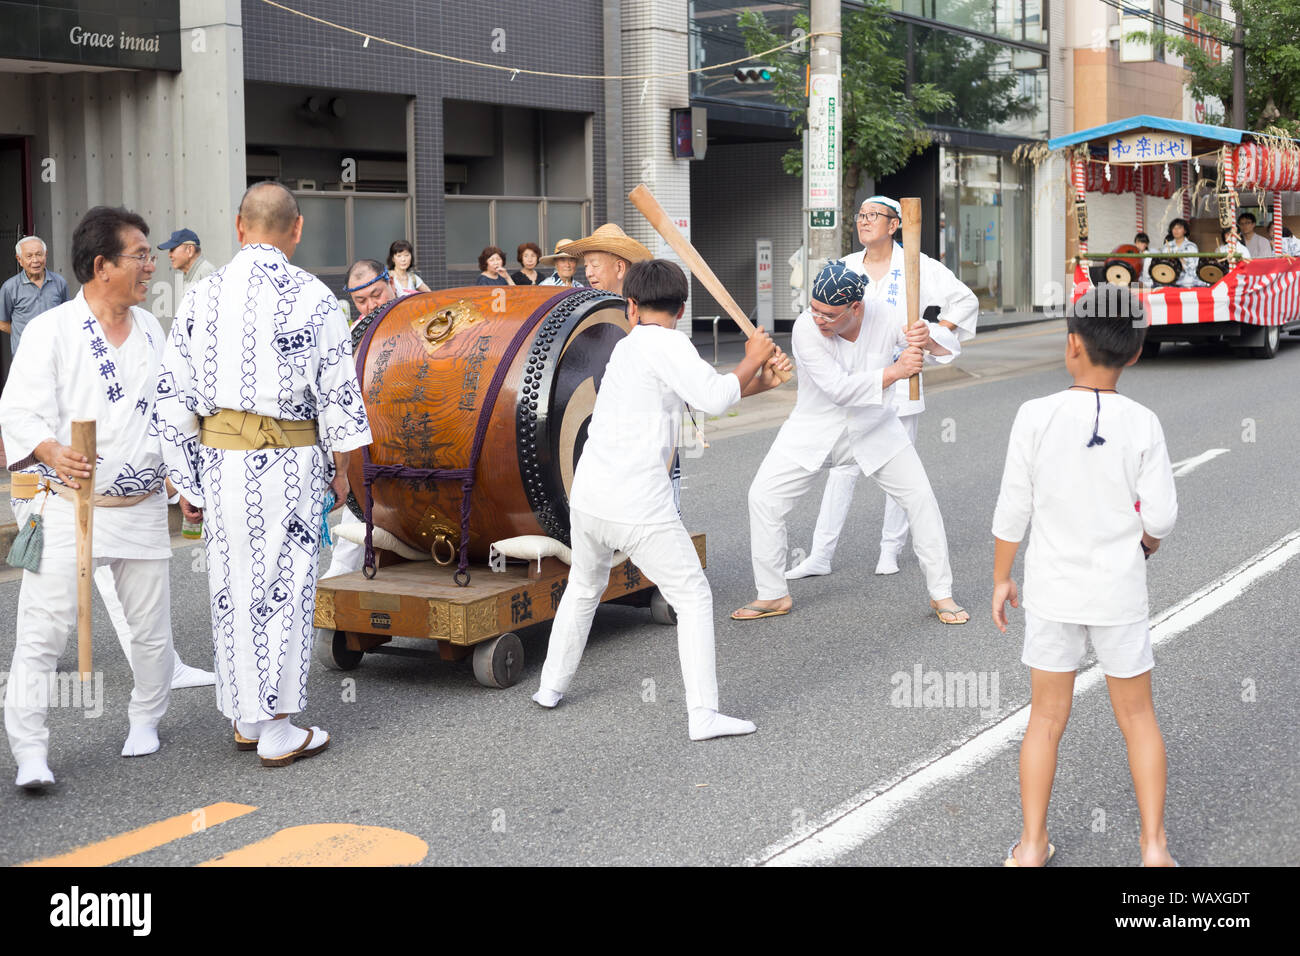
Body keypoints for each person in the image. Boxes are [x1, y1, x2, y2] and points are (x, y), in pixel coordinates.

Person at [154, 182, 373, 768]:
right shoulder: (316, 298)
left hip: (222, 464)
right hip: (290, 463)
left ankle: (247, 716)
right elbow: (339, 397)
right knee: (285, 588)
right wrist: (343, 474)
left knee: (233, 588)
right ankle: (276, 728)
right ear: (296, 230)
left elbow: (173, 398)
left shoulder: (202, 297)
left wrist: (184, 482)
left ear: (238, 225)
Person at [532, 259, 790, 740]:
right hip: (637, 505)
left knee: (584, 589)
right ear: (683, 307)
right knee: (694, 597)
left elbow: (703, 394)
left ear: (630, 306)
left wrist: (761, 383)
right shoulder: (670, 344)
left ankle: (550, 687)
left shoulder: (630, 348)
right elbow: (713, 397)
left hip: (588, 499)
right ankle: (703, 715)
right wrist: (753, 354)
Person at [992, 286, 1178, 867]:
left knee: (1045, 719)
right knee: (1138, 717)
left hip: (1052, 590)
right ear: (1136, 353)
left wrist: (1002, 578)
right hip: (1119, 591)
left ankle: (1030, 847)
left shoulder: (1034, 415)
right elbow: (1164, 514)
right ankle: (1152, 850)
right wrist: (1143, 543)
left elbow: (1012, 507)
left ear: (1071, 344)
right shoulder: (1143, 422)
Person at [1, 207, 175, 789]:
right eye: (141, 255)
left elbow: (172, 411)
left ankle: (146, 716)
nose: (151, 266)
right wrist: (51, 450)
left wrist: (182, 475)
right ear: (102, 266)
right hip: (69, 503)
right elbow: (17, 410)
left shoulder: (152, 329)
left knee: (151, 628)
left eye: (150, 255)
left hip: (142, 504)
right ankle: (29, 751)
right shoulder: (51, 330)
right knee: (42, 631)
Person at [733, 260, 969, 625]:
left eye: (829, 315)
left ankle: (943, 595)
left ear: (855, 307)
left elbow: (947, 350)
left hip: (875, 428)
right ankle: (772, 594)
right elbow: (840, 390)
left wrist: (928, 338)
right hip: (814, 428)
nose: (819, 320)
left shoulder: (888, 315)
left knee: (920, 499)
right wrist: (896, 371)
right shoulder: (805, 328)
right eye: (815, 310)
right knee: (763, 498)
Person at [785, 196, 977, 581]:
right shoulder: (845, 267)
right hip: (855, 381)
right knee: (842, 470)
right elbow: (821, 317)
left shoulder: (917, 264)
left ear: (895, 225)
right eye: (860, 215)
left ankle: (890, 549)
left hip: (901, 377)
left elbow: (965, 301)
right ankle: (820, 554)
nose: (864, 221)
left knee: (898, 470)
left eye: (875, 216)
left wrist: (932, 335)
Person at [2, 235, 70, 354]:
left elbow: (67, 316)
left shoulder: (59, 282)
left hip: (55, 353)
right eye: (29, 256)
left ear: (46, 255)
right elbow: (2, 323)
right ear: (19, 260)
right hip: (25, 354)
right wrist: (26, 333)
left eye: (39, 254)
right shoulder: (10, 287)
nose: (35, 260)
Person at [563, 223, 653, 295]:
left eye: (595, 264)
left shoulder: (644, 308)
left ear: (620, 268)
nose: (588, 274)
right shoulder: (588, 307)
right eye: (586, 266)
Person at [158, 228, 216, 297]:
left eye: (172, 249)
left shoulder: (206, 273)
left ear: (190, 250)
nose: (169, 255)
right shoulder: (194, 274)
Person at [1159, 219, 1201, 288]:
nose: (1176, 230)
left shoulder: (1191, 246)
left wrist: (1181, 262)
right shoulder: (1166, 246)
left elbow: (1194, 267)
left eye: (1179, 228)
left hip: (1187, 282)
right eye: (1174, 228)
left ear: (1185, 231)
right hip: (1169, 281)